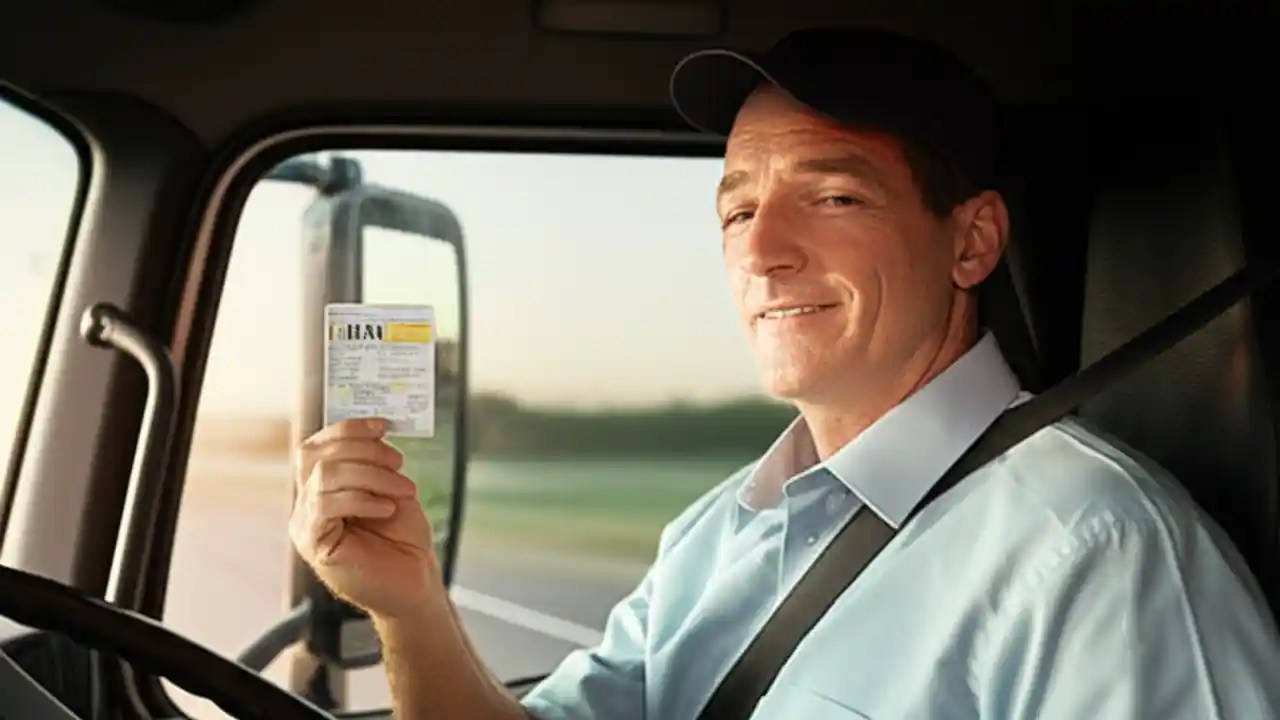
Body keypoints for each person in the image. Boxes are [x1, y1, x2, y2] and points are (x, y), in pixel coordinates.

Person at [288, 26, 1280, 720]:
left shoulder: (1097, 555)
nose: (761, 254)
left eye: (835, 197)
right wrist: (407, 606)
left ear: (970, 242)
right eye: (734, 210)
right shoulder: (718, 531)